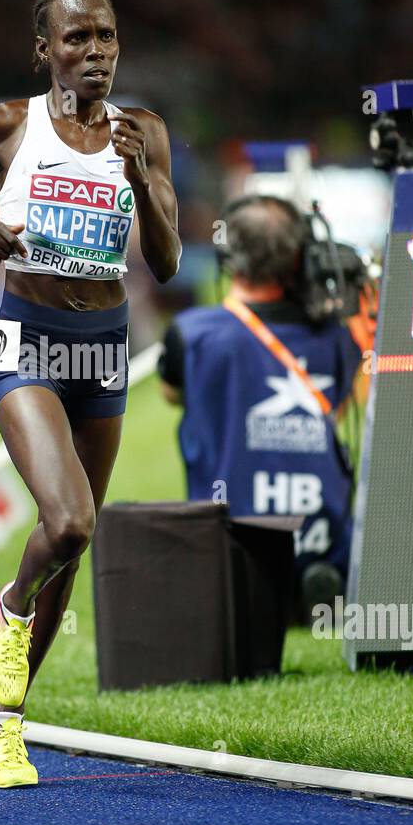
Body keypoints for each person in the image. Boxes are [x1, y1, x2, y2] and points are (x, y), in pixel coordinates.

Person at [0, 0, 181, 788]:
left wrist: (139, 181)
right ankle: (12, 609)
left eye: (104, 37)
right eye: (75, 40)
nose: (93, 52)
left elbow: (165, 266)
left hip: (103, 347)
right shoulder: (5, 124)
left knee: (75, 547)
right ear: (45, 50)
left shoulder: (145, 134)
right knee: (64, 524)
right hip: (27, 342)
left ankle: (7, 720)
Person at [158, 194, 362, 621]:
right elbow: (338, 407)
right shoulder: (339, 337)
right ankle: (317, 581)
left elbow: (171, 392)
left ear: (228, 256)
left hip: (232, 539)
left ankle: (251, 583)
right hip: (322, 539)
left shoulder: (193, 334)